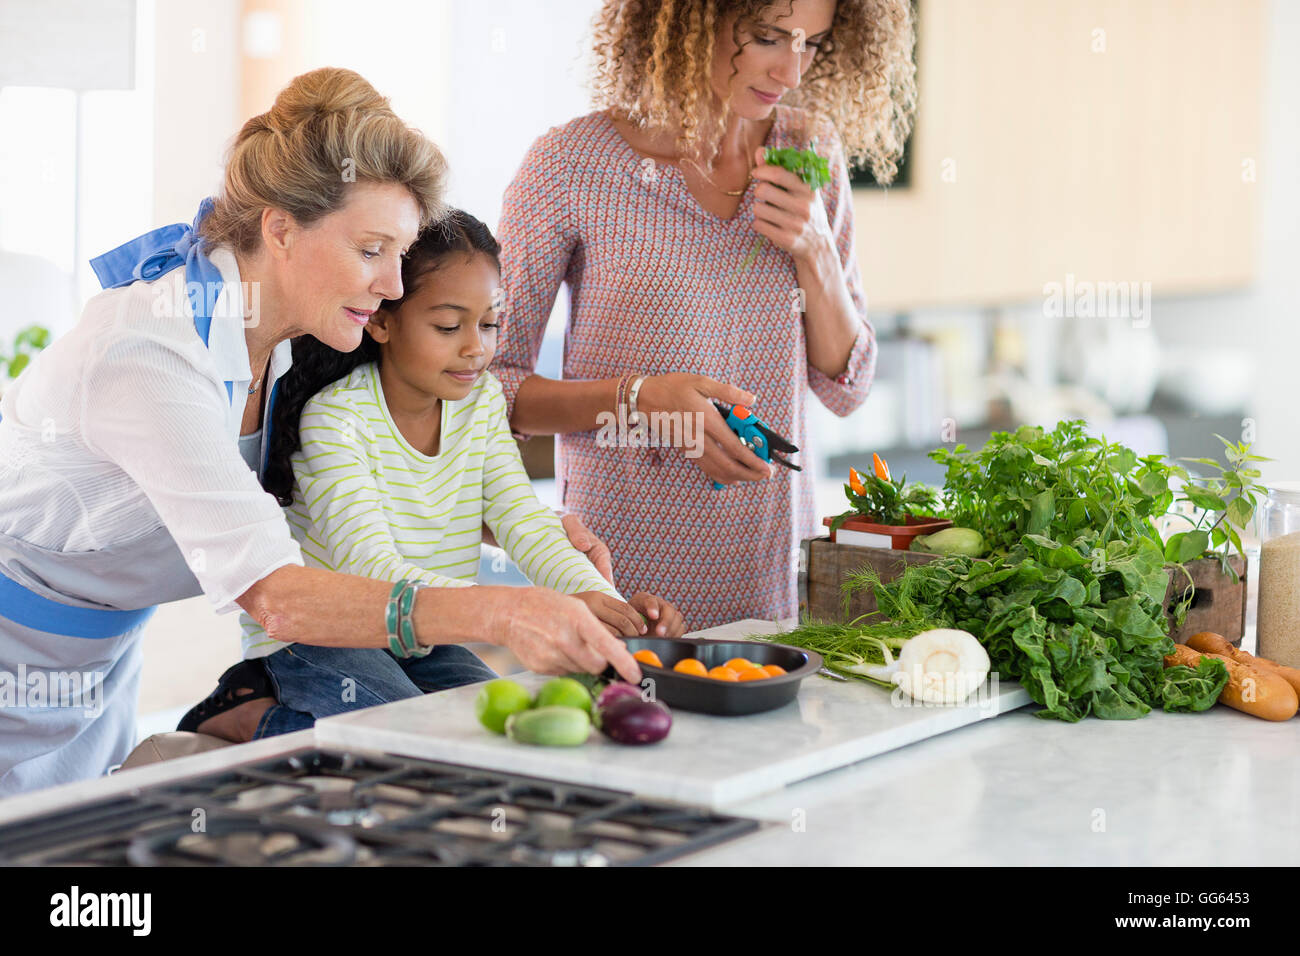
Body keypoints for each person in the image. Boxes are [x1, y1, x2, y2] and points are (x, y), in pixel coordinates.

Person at [0, 67, 640, 796]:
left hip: (95, 662)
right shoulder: (146, 353)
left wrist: (523, 538)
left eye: (401, 254)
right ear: (279, 228)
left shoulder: (287, 338)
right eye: (372, 251)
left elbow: (328, 492)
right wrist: (504, 608)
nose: (395, 285)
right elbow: (279, 597)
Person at [491, 0, 916, 628]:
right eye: (769, 37)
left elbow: (846, 387)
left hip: (770, 579)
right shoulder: (571, 165)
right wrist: (639, 401)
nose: (792, 71)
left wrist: (817, 249)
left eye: (813, 45)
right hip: (616, 579)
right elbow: (488, 391)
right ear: (689, 20)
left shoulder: (808, 151)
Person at [219, 209, 683, 737]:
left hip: (427, 636)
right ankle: (245, 715)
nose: (475, 348)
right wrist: (518, 608)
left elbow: (522, 521)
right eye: (447, 326)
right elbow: (371, 569)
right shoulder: (338, 417)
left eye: (489, 324)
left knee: (490, 730)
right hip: (323, 637)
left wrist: (604, 606)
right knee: (414, 737)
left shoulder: (481, 402)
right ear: (381, 319)